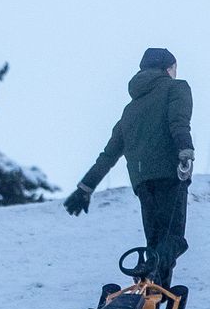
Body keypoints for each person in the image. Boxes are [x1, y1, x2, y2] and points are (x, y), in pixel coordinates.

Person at [62, 47, 195, 286]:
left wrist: (85, 188)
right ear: (168, 68)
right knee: (174, 238)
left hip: (142, 182)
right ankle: (151, 275)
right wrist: (186, 153)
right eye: (175, 67)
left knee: (155, 241)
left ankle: (152, 297)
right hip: (170, 174)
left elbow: (108, 155)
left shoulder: (130, 110)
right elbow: (179, 123)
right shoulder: (176, 87)